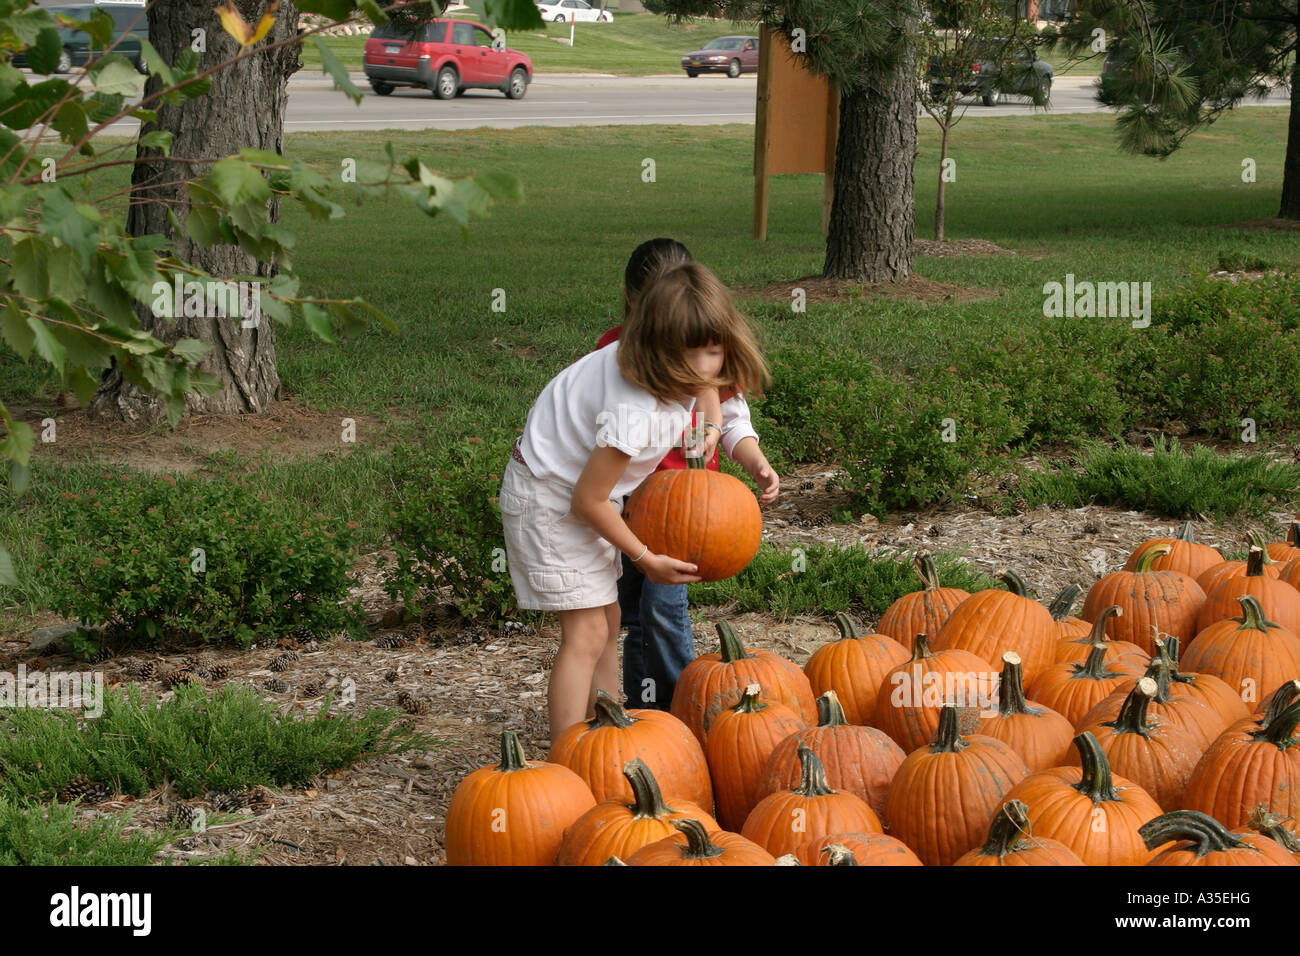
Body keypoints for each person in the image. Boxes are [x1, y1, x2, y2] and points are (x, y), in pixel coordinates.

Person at [499, 259, 770, 743]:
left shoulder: (671, 364)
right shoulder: (634, 407)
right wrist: (646, 558)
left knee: (607, 621)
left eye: (714, 352)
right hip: (550, 501)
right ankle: (567, 757)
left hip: (580, 493)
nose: (706, 369)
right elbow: (588, 499)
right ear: (660, 349)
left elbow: (707, 387)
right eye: (694, 356)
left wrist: (708, 427)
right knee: (585, 634)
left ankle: (607, 734)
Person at [595, 239, 780, 713]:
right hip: (622, 508)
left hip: (683, 517)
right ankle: (646, 708)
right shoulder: (614, 353)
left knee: (662, 610)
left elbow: (733, 419)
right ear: (634, 299)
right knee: (630, 611)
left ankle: (684, 707)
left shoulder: (702, 352)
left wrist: (754, 460)